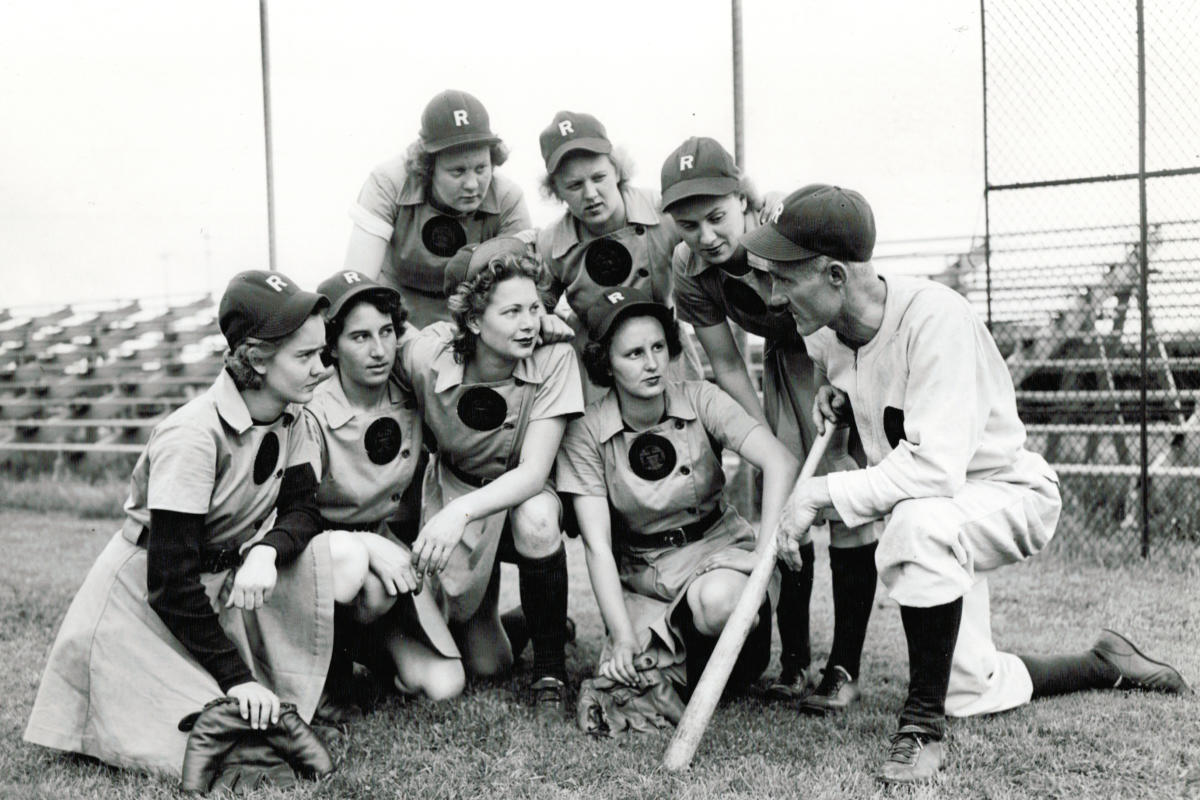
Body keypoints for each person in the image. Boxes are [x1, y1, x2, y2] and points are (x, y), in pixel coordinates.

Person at [751, 184, 1194, 784]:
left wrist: (819, 495)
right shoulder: (824, 333)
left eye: (785, 278)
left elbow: (933, 471)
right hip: (941, 504)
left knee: (916, 523)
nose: (773, 296)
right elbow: (869, 395)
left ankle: (920, 727)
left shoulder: (937, 319)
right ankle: (1101, 663)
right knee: (970, 688)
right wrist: (838, 397)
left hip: (1005, 491)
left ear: (834, 274)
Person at [24, 271, 376, 776]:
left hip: (214, 587)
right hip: (143, 608)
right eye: (305, 356)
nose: (322, 368)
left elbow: (304, 512)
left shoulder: (293, 414)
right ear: (256, 358)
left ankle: (265, 704)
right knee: (196, 745)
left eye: (322, 353)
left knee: (244, 723)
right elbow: (169, 584)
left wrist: (265, 550)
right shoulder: (192, 435)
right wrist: (237, 678)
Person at [660, 137, 881, 710]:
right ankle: (795, 662)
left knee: (843, 504)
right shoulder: (691, 269)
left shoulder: (781, 231)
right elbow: (728, 361)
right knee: (785, 507)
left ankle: (844, 668)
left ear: (743, 199)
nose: (706, 236)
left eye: (716, 217)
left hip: (837, 357)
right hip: (780, 368)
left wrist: (844, 383)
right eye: (689, 225)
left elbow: (845, 305)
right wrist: (767, 442)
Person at [557, 287, 799, 699]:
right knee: (623, 678)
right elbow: (597, 547)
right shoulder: (586, 433)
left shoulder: (701, 397)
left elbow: (781, 461)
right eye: (633, 354)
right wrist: (620, 636)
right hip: (646, 575)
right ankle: (678, 663)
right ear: (606, 364)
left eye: (658, 347)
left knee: (717, 602)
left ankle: (734, 663)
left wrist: (761, 555)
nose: (652, 364)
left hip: (716, 555)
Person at [393, 240, 584, 718]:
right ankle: (528, 622)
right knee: (487, 664)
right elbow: (371, 357)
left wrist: (459, 515)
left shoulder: (555, 358)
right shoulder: (427, 352)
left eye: (535, 308)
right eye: (512, 311)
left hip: (513, 494)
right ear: (475, 321)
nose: (528, 323)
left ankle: (550, 672)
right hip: (454, 487)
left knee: (538, 516)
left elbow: (534, 472)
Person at [305, 269, 465, 703]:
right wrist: (366, 544)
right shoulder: (312, 411)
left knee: (444, 686)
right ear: (331, 346)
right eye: (359, 337)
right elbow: (291, 515)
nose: (379, 351)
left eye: (387, 332)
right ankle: (328, 677)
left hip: (388, 545)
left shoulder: (408, 388)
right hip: (320, 555)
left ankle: (372, 655)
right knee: (364, 581)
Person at [532, 111, 703, 400]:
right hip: (596, 370)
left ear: (618, 171)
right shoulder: (551, 245)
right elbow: (533, 309)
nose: (590, 193)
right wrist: (545, 319)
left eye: (599, 177)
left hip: (665, 355)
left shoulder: (663, 211)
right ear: (556, 192)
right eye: (574, 185)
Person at [344, 89, 531, 327]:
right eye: (458, 171)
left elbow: (520, 294)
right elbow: (357, 284)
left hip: (470, 321)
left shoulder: (508, 198)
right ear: (429, 168)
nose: (473, 185)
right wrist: (404, 338)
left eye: (481, 169)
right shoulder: (388, 182)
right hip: (392, 316)